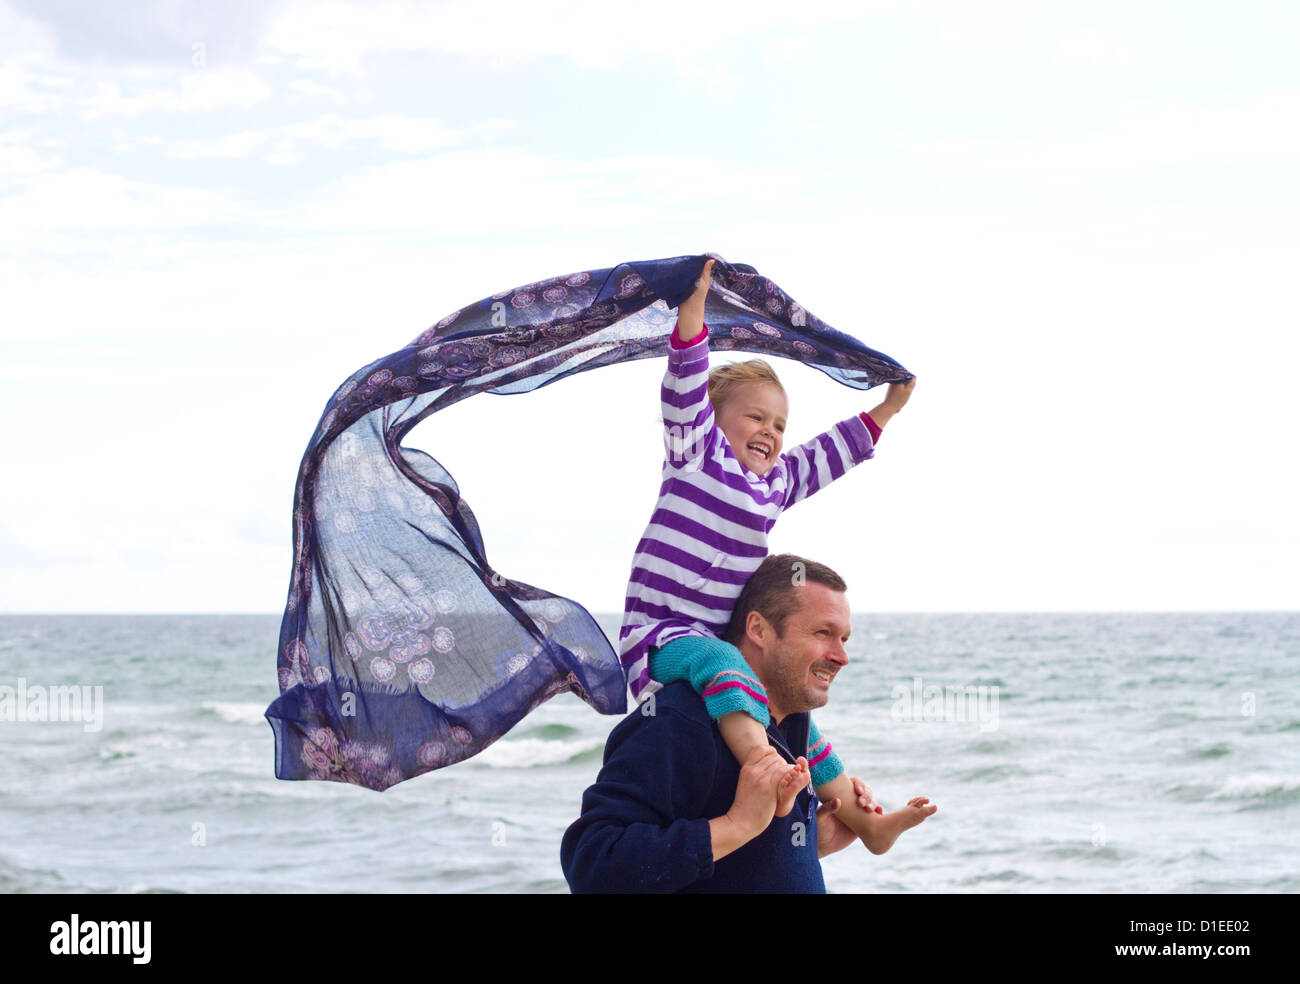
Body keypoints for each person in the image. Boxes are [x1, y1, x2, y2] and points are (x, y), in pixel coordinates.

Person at [618, 257, 924, 847]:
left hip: (715, 642)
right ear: (714, 421)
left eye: (780, 425)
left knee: (799, 724)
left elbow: (828, 455)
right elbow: (683, 384)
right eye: (755, 417)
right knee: (723, 664)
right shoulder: (693, 454)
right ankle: (766, 770)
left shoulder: (775, 484)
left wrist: (886, 410)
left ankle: (867, 824)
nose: (770, 432)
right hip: (660, 638)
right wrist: (693, 313)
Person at [562, 554, 936, 892]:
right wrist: (737, 825)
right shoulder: (681, 718)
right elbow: (593, 862)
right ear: (758, 630)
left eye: (844, 639)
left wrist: (797, 844)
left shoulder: (792, 725)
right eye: (823, 633)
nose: (841, 656)